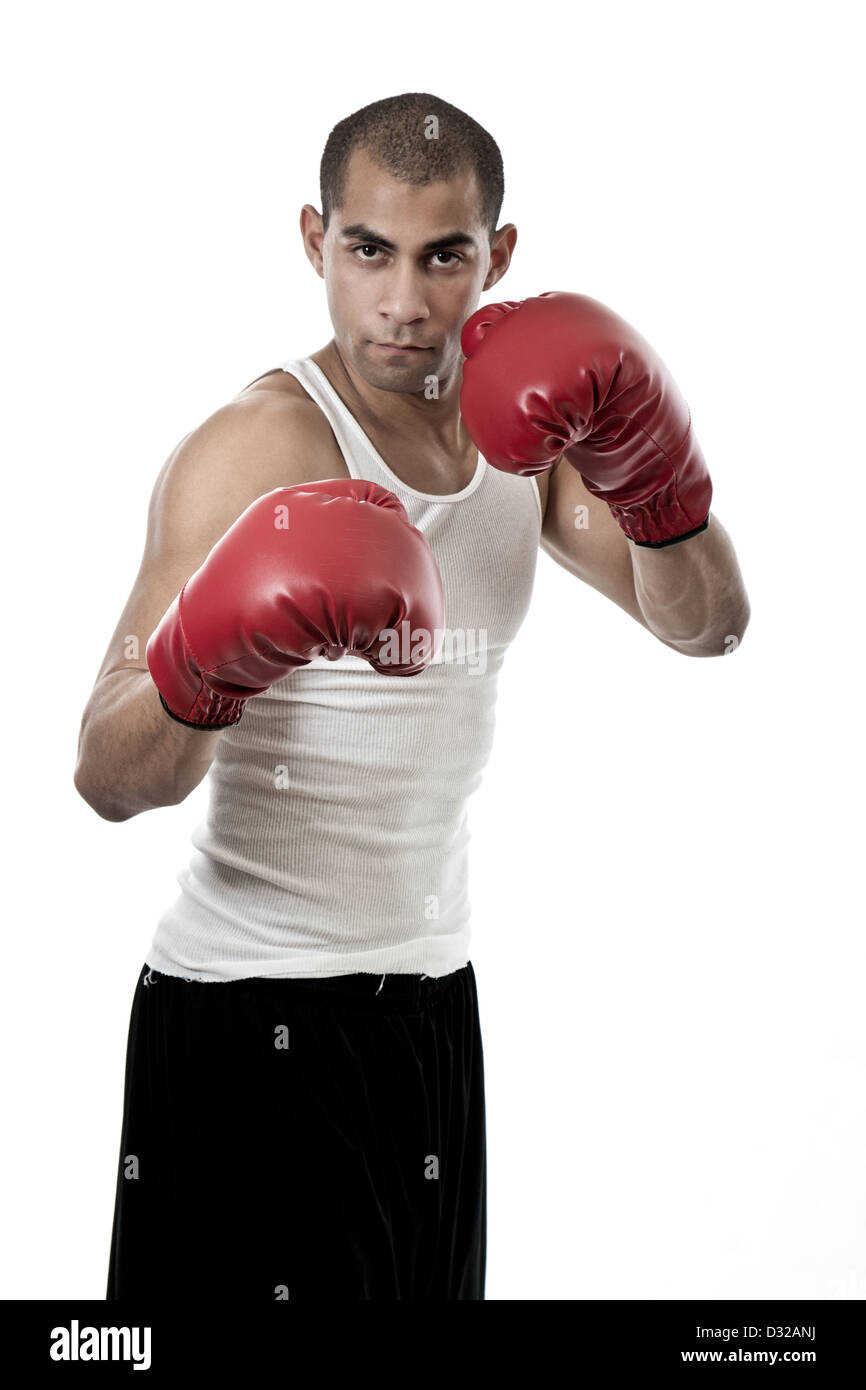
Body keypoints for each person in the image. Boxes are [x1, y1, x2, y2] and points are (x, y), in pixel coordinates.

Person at [74, 91, 751, 1303]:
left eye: (443, 257)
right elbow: (108, 775)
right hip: (246, 1014)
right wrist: (208, 657)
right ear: (312, 241)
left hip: (432, 1007)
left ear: (496, 257)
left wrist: (655, 478)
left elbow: (705, 626)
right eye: (365, 251)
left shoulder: (526, 444)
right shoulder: (261, 442)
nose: (402, 301)